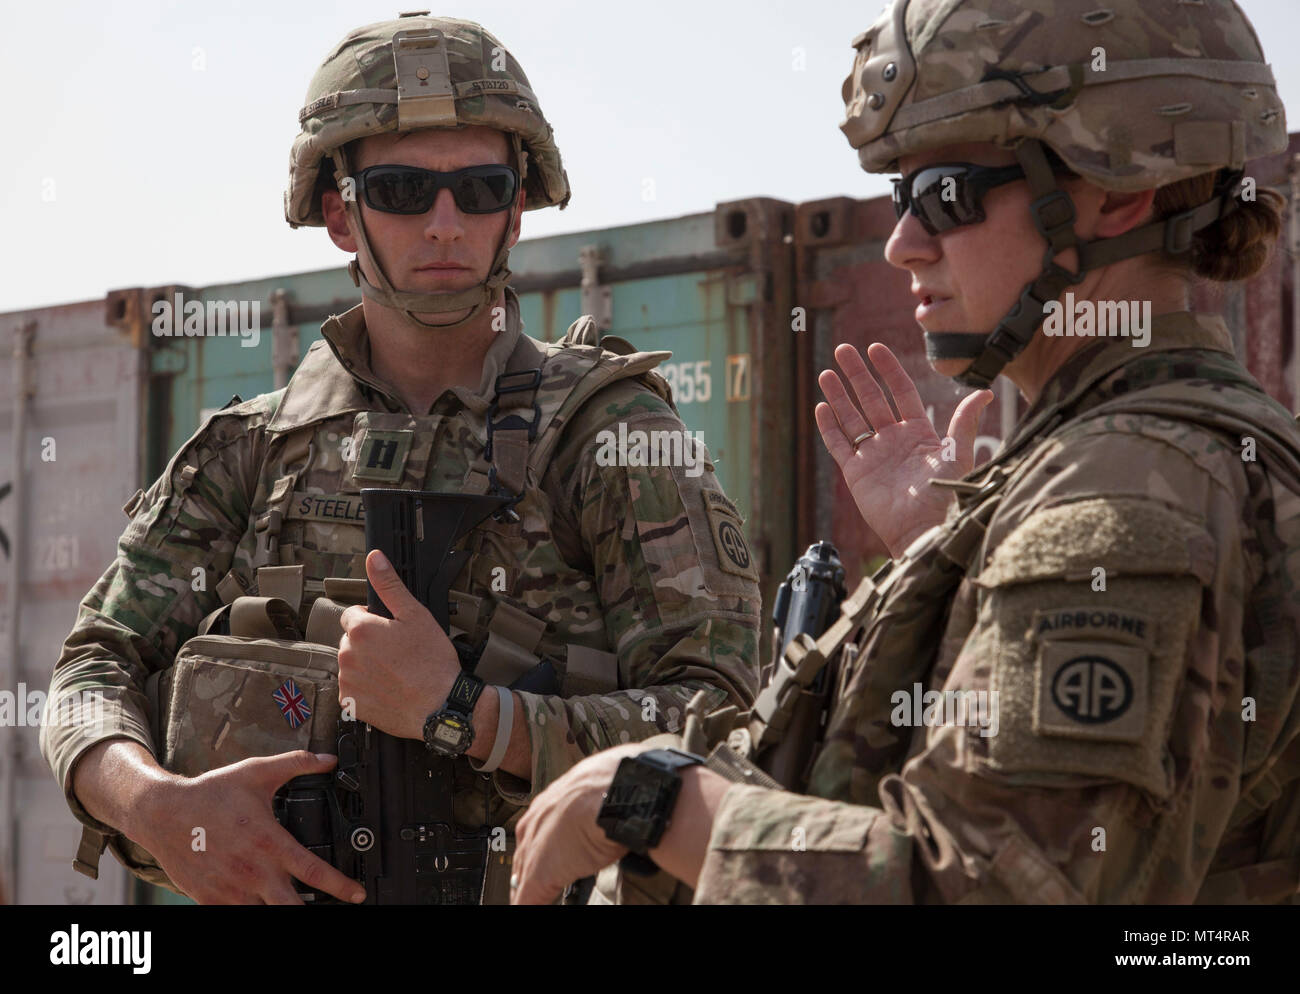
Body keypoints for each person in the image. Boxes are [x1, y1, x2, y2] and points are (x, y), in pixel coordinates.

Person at [510, 0, 1300, 904]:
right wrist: (950, 563)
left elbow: (978, 889)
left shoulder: (1124, 489)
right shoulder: (1134, 456)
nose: (902, 242)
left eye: (948, 196)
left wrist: (656, 804)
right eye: (900, 198)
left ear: (1116, 188)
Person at [39, 13, 759, 905]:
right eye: (403, 190)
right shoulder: (251, 454)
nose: (447, 225)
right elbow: (92, 667)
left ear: (518, 211)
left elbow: (725, 727)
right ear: (341, 215)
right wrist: (156, 810)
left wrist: (474, 718)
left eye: (482, 188)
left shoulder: (606, 438)